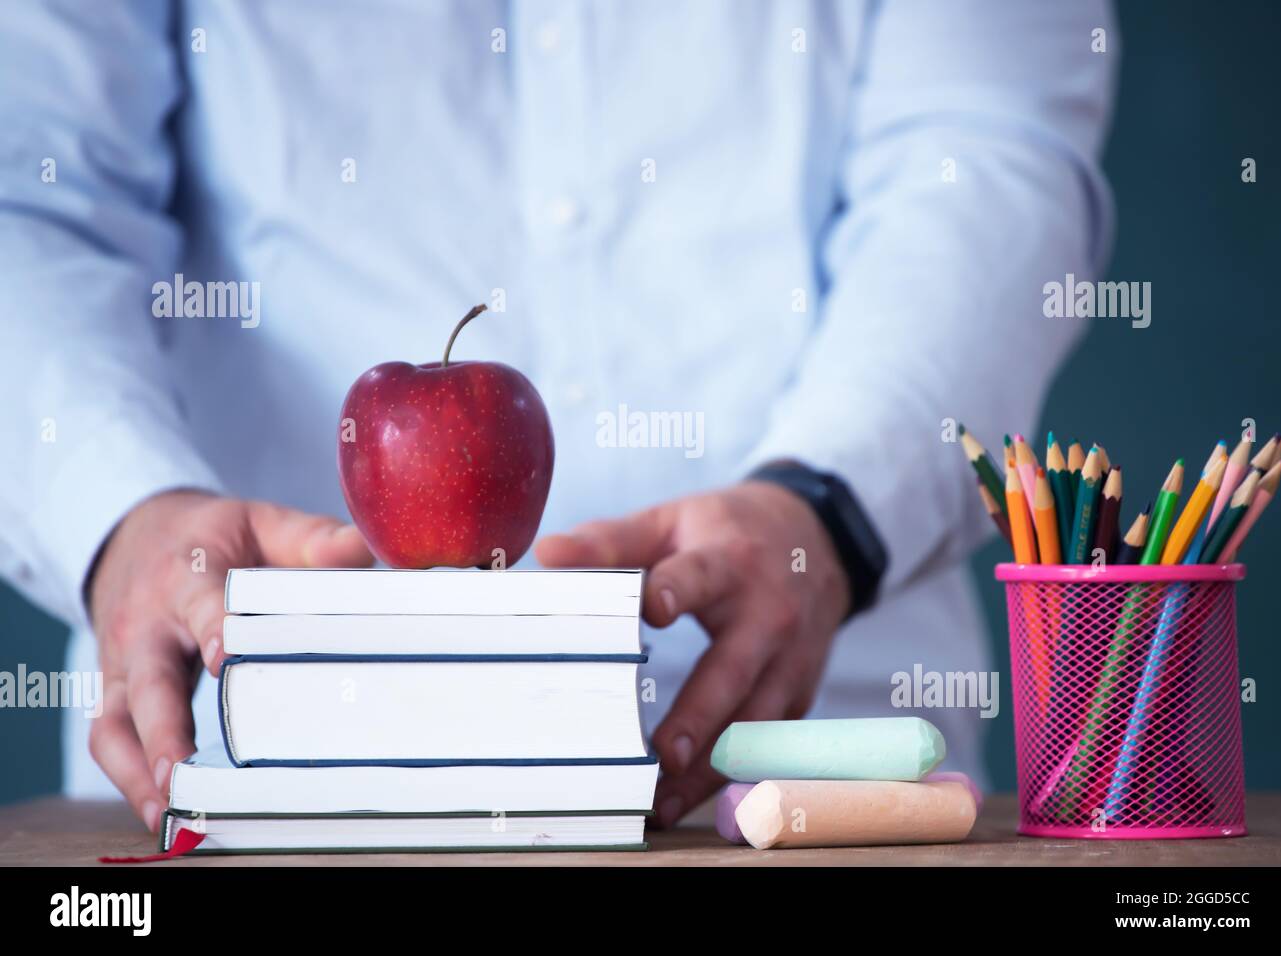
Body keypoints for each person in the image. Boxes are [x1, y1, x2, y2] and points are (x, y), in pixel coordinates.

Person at [0, 0, 1116, 830]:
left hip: (807, 755)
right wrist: (117, 511)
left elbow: (981, 154)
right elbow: (27, 187)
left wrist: (835, 510)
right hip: (246, 755)